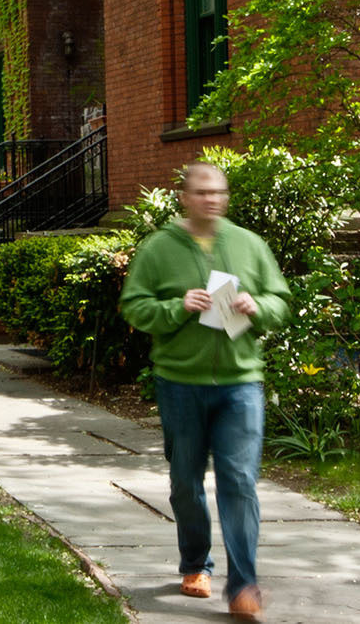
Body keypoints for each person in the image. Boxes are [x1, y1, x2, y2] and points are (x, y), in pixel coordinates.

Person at [119, 161, 290, 620]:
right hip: (180, 382)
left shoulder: (249, 245)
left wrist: (259, 306)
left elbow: (281, 301)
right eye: (201, 192)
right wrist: (178, 307)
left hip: (241, 383)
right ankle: (196, 563)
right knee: (185, 482)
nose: (210, 199)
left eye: (218, 192)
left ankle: (243, 586)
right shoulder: (158, 249)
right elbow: (134, 306)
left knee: (239, 481)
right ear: (184, 197)